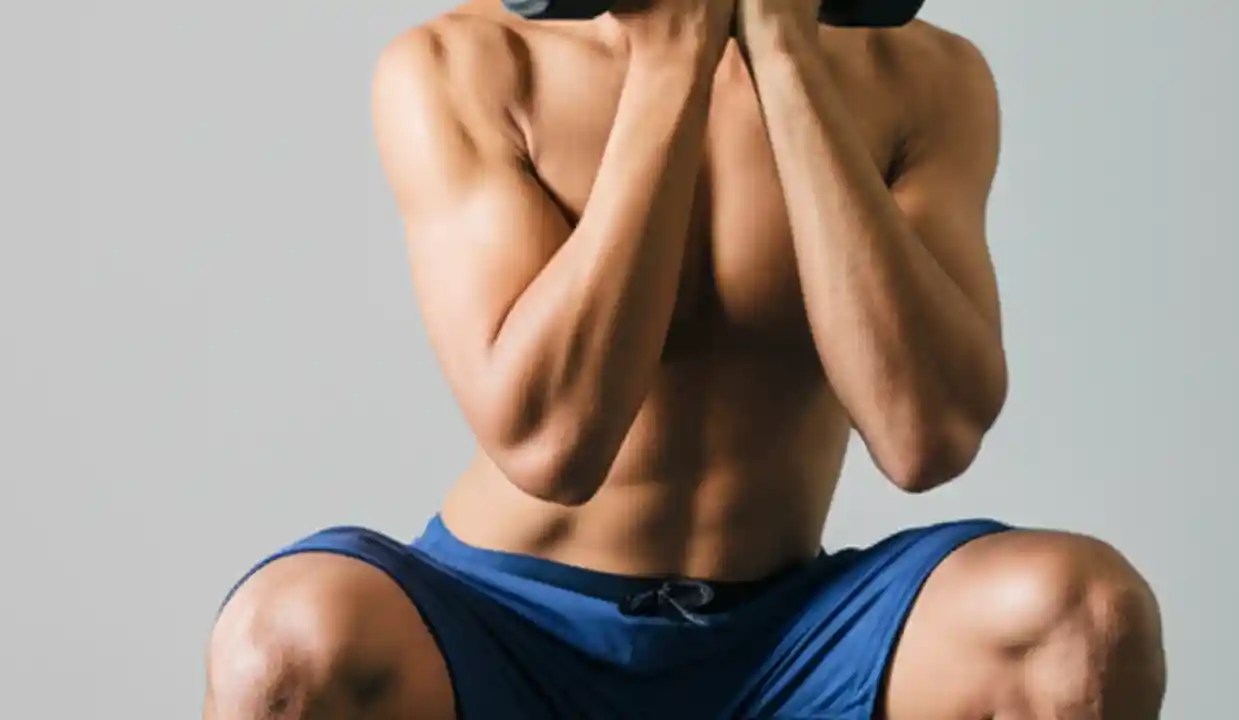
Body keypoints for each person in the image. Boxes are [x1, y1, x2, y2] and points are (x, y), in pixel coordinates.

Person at [202, 0, 1167, 716]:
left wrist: (787, 59)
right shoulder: (465, 65)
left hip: (794, 645)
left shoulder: (922, 79)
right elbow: (552, 445)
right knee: (285, 646)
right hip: (508, 627)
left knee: (1084, 620)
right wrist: (671, 65)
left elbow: (928, 437)